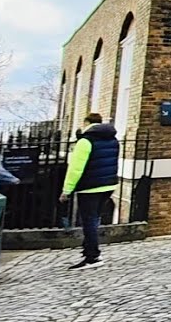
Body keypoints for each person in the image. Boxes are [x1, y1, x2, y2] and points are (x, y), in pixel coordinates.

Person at [60, 113, 120, 270]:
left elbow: (75, 169)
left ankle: (92, 256)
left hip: (90, 186)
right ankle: (89, 248)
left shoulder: (85, 141)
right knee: (95, 218)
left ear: (86, 123)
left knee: (89, 220)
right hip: (108, 184)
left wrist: (67, 190)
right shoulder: (113, 139)